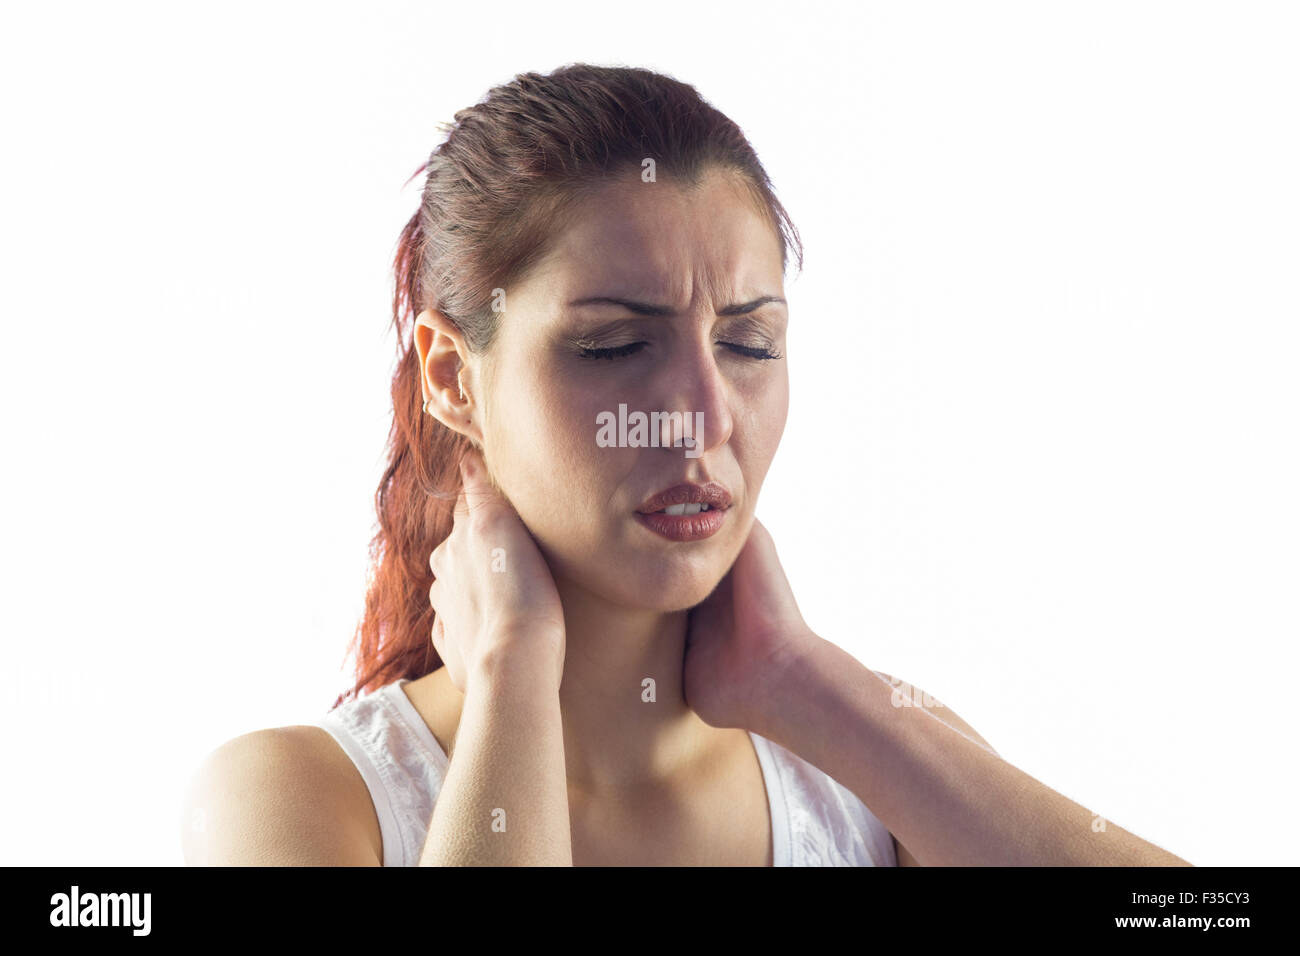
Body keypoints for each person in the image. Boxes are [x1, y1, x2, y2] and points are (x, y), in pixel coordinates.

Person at [181, 63, 1192, 867]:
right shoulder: (296, 798)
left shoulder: (869, 779)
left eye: (749, 344)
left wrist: (805, 683)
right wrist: (510, 674)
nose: (703, 417)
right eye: (615, 346)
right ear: (452, 375)